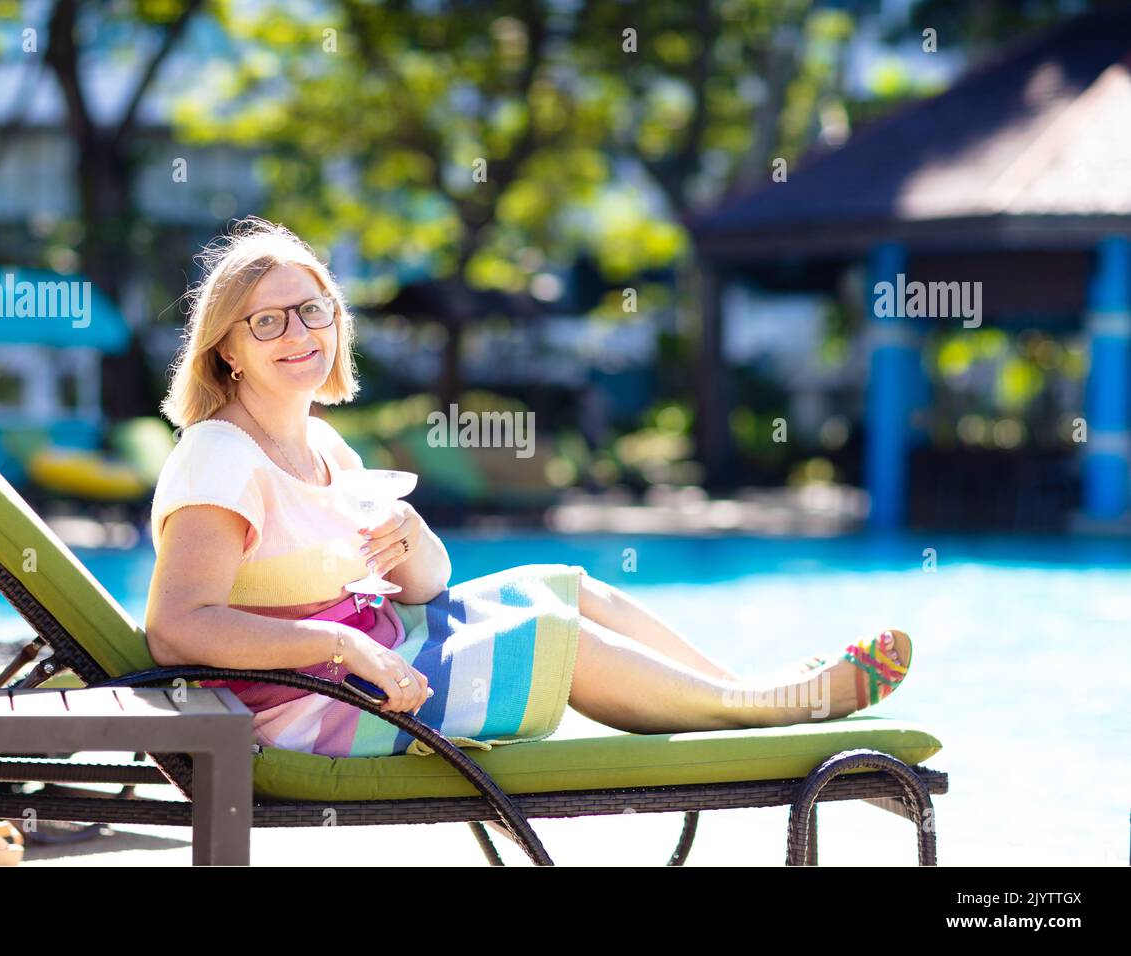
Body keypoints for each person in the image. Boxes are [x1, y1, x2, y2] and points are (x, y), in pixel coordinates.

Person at [144, 218, 913, 758]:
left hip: (377, 655)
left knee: (569, 590)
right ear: (227, 351)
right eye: (267, 322)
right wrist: (340, 639)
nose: (300, 333)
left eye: (313, 311)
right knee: (554, 638)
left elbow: (425, 587)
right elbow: (176, 626)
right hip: (314, 710)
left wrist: (415, 542)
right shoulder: (220, 457)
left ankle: (741, 691)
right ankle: (758, 708)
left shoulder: (322, 444)